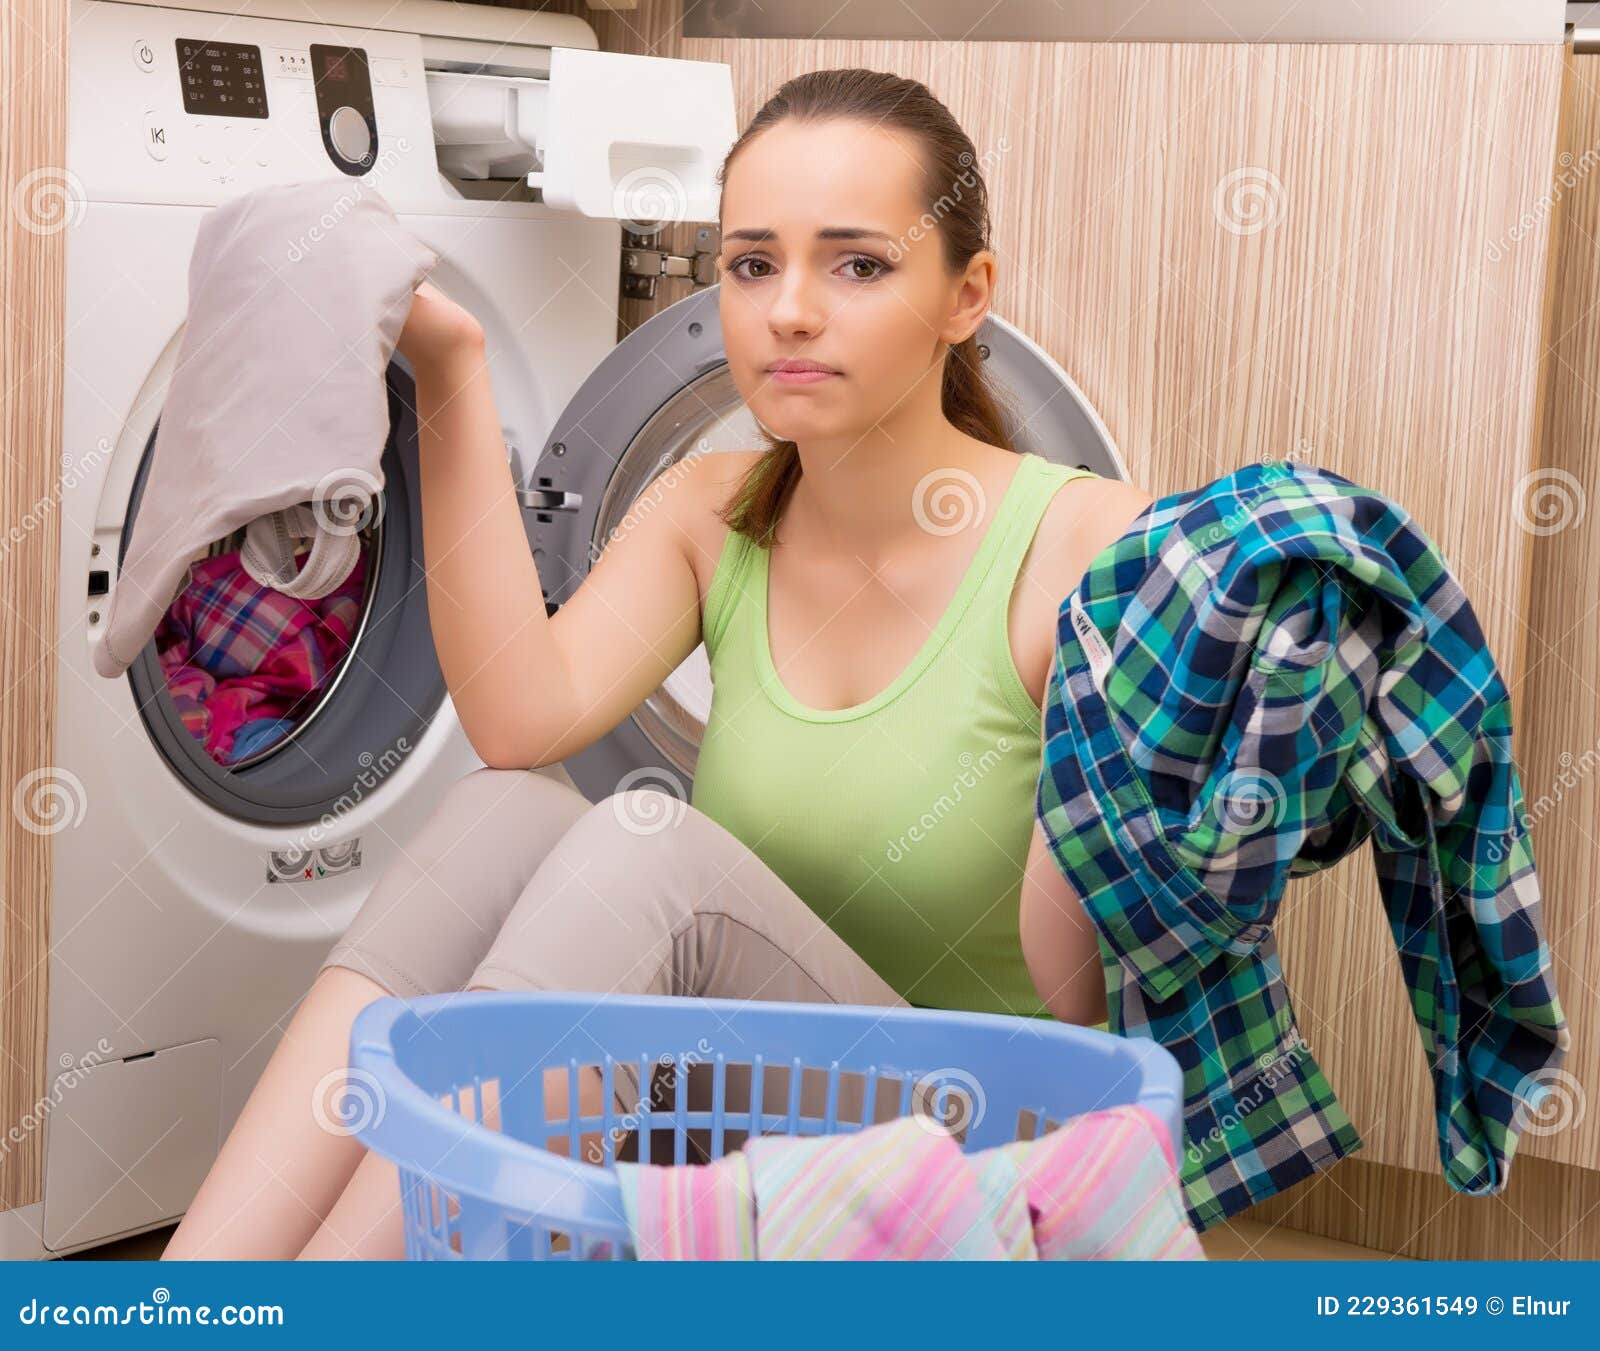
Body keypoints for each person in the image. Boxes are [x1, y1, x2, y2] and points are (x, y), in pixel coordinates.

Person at [162, 66, 1154, 1261]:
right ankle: (198, 1298)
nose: (788, 310)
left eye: (857, 264)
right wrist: (454, 369)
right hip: (728, 1141)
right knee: (505, 814)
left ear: (965, 296)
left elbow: (1080, 998)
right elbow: (521, 722)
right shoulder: (712, 507)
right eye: (750, 265)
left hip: (967, 1168)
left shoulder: (1088, 544)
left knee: (652, 847)